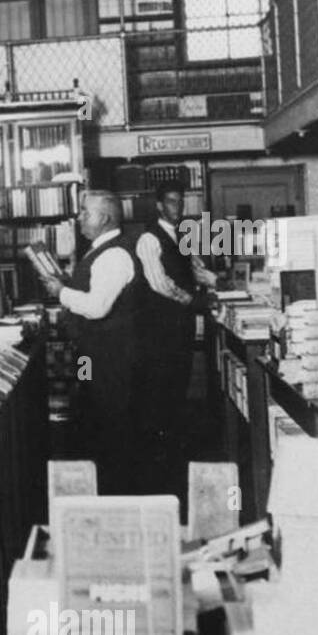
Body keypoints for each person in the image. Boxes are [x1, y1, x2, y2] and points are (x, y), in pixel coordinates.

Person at [35, 190, 147, 495]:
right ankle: (106, 490)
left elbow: (98, 307)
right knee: (95, 416)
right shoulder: (100, 249)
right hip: (94, 355)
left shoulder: (114, 254)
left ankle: (116, 495)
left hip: (112, 358)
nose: (80, 217)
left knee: (111, 423)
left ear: (106, 218)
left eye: (86, 212)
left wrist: (60, 291)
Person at [135, 183, 217, 497]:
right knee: (160, 391)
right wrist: (192, 301)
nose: (177, 208)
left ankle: (172, 453)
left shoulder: (182, 235)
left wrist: (218, 283)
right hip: (157, 329)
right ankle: (160, 463)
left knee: (177, 386)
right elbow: (159, 283)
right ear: (159, 206)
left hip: (179, 327)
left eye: (180, 202)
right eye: (171, 202)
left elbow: (194, 269)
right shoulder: (148, 238)